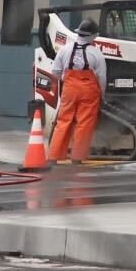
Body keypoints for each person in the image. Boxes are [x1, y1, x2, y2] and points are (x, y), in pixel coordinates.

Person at [44, 19, 108, 165]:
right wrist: (101, 94)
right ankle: (77, 157)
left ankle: (53, 157)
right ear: (92, 36)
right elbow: (101, 77)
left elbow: (56, 73)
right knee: (84, 123)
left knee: (63, 122)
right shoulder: (97, 54)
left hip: (69, 90)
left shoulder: (64, 50)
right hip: (89, 93)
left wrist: (64, 86)